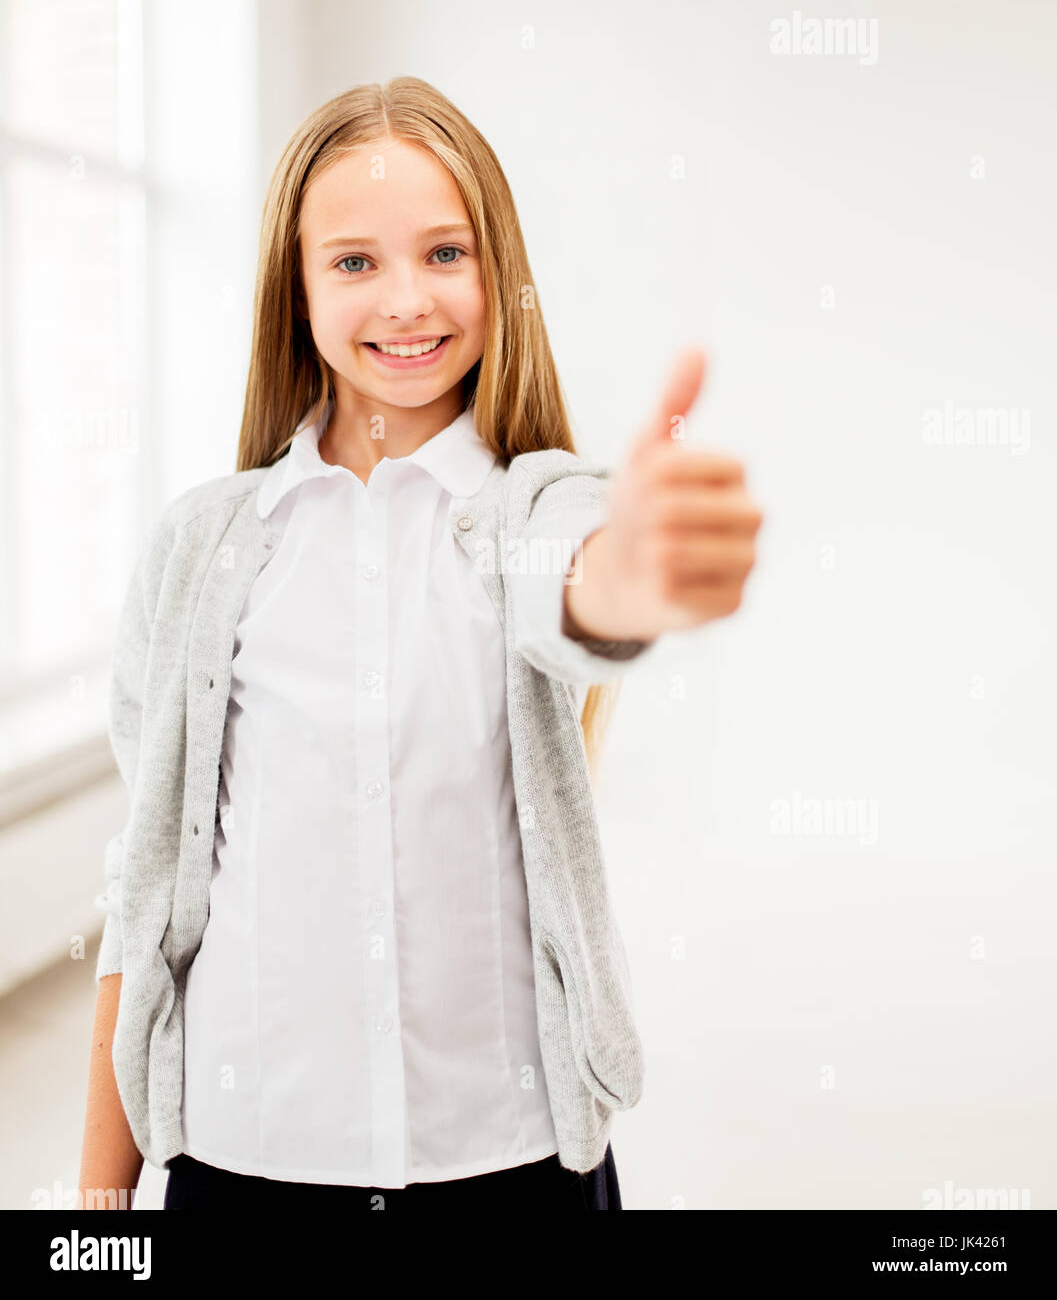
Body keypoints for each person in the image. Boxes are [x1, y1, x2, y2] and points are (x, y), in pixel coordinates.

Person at [78, 76, 763, 1213]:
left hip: (514, 1166)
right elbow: (144, 886)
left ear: (499, 274)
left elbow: (582, 581)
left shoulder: (530, 513)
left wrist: (637, 571)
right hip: (247, 1164)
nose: (406, 300)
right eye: (354, 262)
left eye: (445, 253)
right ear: (293, 292)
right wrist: (98, 1213)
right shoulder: (202, 548)